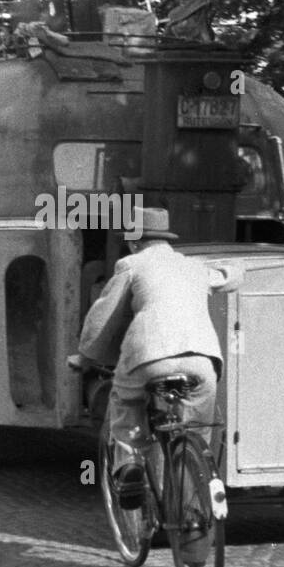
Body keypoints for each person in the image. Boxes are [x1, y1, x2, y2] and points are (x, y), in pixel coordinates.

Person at [71, 207, 224, 509]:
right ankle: (194, 511)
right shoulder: (195, 267)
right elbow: (228, 277)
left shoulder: (131, 264)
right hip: (203, 360)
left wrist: (85, 357)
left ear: (134, 242)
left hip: (150, 358)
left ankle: (129, 465)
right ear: (166, 239)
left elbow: (102, 318)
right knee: (195, 429)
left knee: (125, 402)